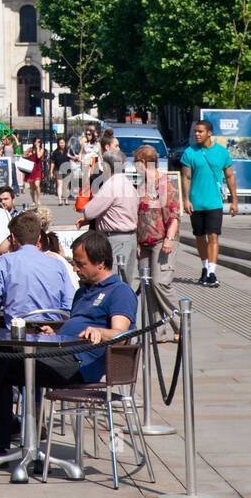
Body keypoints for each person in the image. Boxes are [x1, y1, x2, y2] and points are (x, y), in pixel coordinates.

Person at [0, 231, 137, 466]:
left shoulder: (119, 291)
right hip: (60, 354)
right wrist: (57, 333)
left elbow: (122, 335)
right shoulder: (84, 291)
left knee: (1, 359)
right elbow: (76, 324)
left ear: (101, 263)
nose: (75, 269)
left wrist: (100, 332)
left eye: (81, 264)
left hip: (79, 366)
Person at [181, 119, 237, 289]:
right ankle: (205, 267)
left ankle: (212, 272)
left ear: (209, 133)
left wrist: (234, 200)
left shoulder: (222, 152)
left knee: (213, 236)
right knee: (199, 237)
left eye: (200, 132)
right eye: (195, 132)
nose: (197, 134)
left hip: (214, 203)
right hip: (196, 203)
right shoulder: (190, 152)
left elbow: (229, 176)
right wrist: (186, 199)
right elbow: (186, 177)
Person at [135, 145, 180, 340]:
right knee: (148, 286)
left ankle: (180, 323)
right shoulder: (142, 185)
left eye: (136, 163)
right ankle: (157, 329)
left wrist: (169, 238)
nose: (134, 167)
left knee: (161, 283)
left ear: (144, 163)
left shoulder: (164, 184)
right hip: (144, 243)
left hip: (162, 240)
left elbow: (174, 215)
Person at [77, 148, 141, 286]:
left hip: (115, 238)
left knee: (113, 283)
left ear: (107, 166)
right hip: (129, 237)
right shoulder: (127, 183)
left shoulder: (111, 185)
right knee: (125, 281)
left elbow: (89, 211)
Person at [24, 137, 46, 204]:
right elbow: (24, 155)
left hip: (37, 169)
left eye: (39, 142)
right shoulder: (30, 149)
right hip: (30, 168)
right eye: (36, 142)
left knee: (37, 185)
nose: (37, 143)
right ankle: (33, 201)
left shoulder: (41, 149)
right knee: (31, 187)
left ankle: (38, 200)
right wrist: (28, 154)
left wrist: (37, 149)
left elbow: (39, 156)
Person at [49, 136, 71, 203]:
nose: (62, 144)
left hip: (67, 169)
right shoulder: (55, 152)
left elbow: (75, 158)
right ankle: (60, 200)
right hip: (58, 169)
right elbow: (52, 162)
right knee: (59, 184)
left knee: (66, 185)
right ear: (58, 144)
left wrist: (70, 156)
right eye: (60, 143)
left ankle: (66, 199)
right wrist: (51, 171)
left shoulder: (68, 150)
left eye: (63, 143)